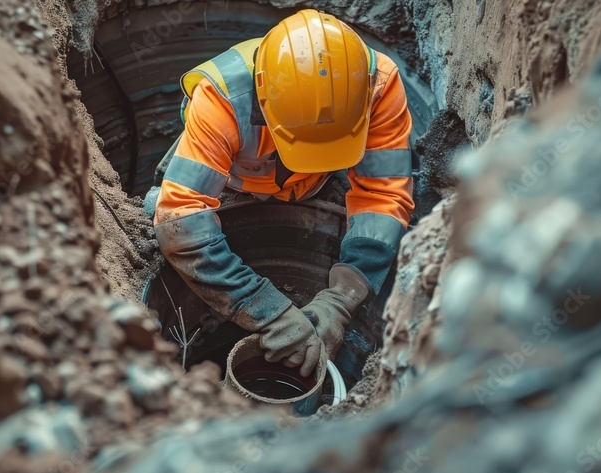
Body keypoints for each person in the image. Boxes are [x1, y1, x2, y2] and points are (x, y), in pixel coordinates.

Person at [148, 9, 414, 376]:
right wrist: (266, 311)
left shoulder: (377, 85)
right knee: (159, 215)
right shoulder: (222, 98)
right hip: (230, 180)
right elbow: (181, 220)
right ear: (264, 100)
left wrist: (342, 298)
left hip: (321, 185)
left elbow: (383, 194)